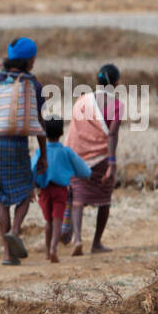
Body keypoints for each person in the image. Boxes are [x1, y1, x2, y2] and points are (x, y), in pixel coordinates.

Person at [0, 37, 49, 265]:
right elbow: (41, 124)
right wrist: (43, 154)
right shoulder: (35, 85)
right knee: (26, 193)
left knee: (3, 201)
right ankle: (15, 230)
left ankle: (7, 254)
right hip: (19, 145)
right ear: (29, 61)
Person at [63, 63, 124, 255]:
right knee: (104, 200)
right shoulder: (117, 105)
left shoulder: (82, 100)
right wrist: (112, 164)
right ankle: (96, 243)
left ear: (97, 81)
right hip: (102, 158)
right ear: (115, 83)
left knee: (78, 198)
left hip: (77, 157)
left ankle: (78, 239)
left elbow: (75, 129)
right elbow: (112, 135)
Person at [33, 115, 91, 263]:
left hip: (44, 191)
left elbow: (32, 169)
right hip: (60, 191)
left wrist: (32, 185)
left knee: (48, 222)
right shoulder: (66, 152)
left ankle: (47, 251)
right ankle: (53, 249)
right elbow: (83, 170)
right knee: (57, 221)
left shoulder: (40, 152)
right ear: (61, 133)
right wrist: (87, 175)